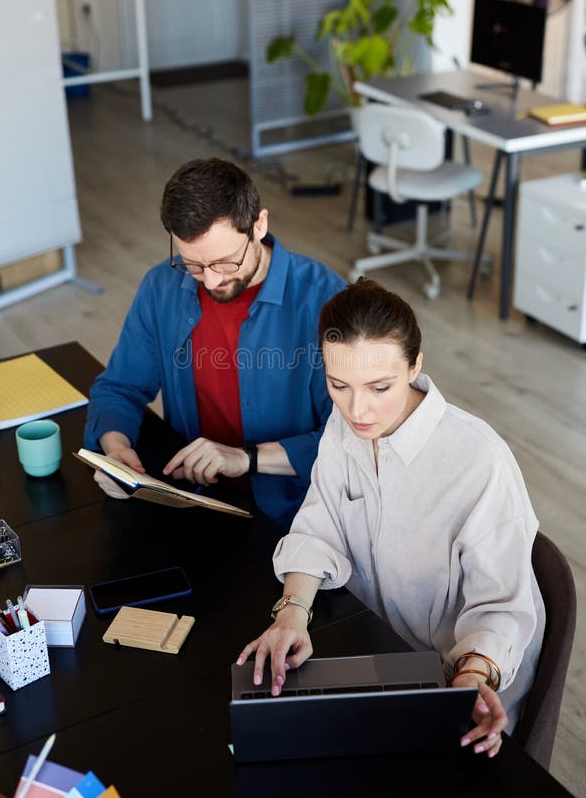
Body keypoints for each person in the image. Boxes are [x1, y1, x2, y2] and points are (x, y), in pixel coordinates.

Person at [237, 279, 545, 757]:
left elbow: (502, 607)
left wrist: (468, 678)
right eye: (339, 385)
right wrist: (292, 612)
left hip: (460, 681)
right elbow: (321, 524)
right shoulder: (345, 426)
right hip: (372, 652)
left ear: (415, 366)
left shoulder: (479, 461)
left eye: (380, 387)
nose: (359, 410)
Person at [84, 157, 345, 532]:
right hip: (194, 501)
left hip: (297, 517)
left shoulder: (325, 300)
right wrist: (115, 449)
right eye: (191, 265)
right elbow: (119, 387)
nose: (208, 282)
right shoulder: (161, 287)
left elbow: (351, 437)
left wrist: (247, 459)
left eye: (224, 263)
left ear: (259, 225)